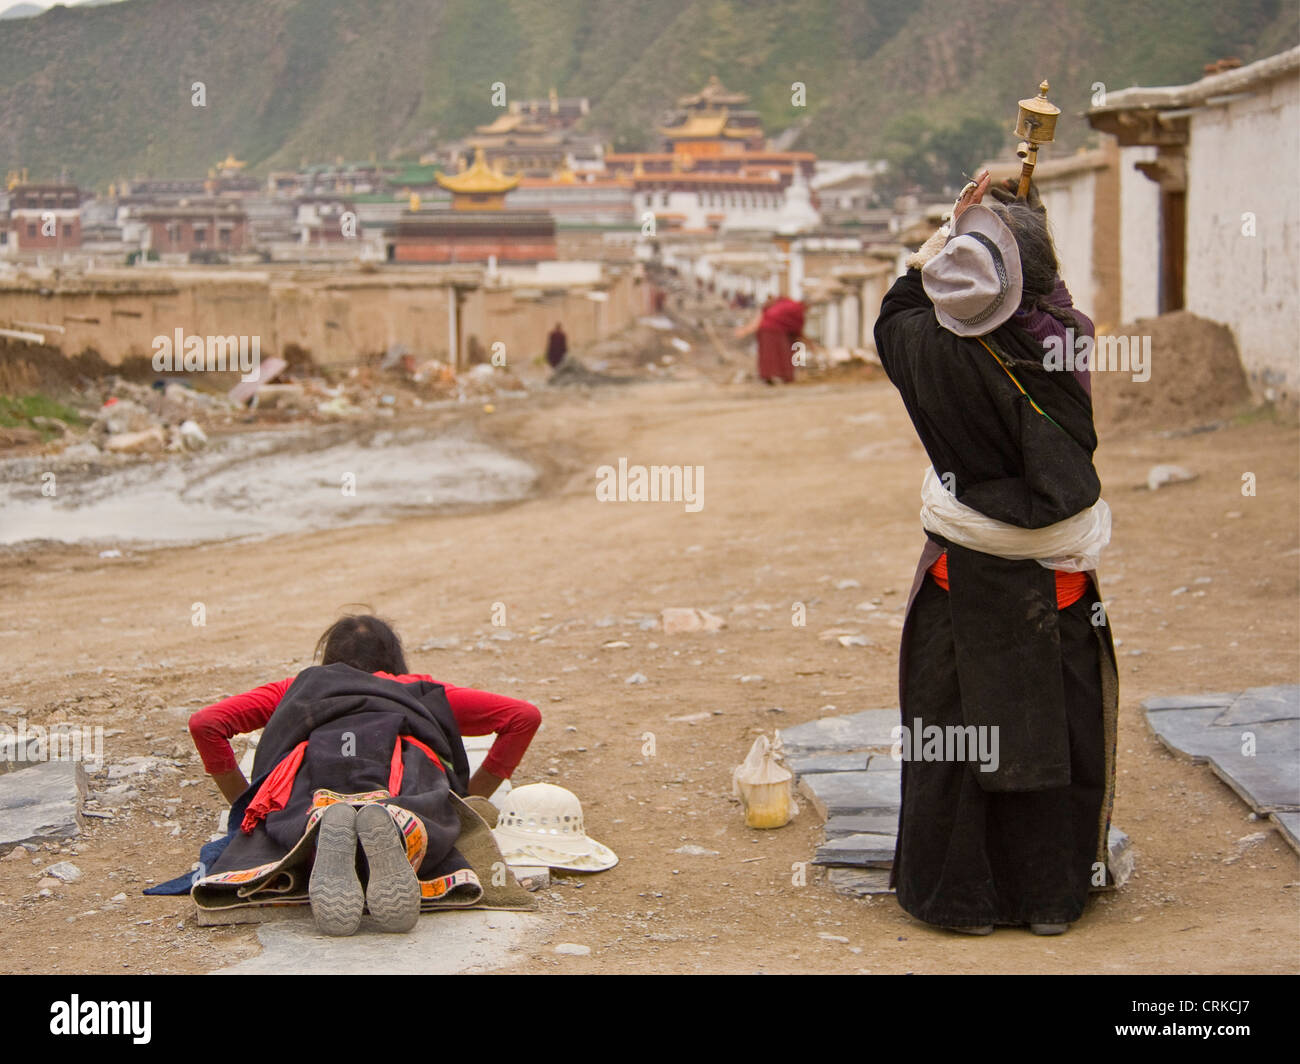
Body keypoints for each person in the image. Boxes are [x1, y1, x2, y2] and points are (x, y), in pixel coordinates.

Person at [872, 171, 1118, 937]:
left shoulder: (921, 349)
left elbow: (900, 299)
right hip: (1056, 586)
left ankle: (960, 903)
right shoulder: (1066, 337)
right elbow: (1048, 290)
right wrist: (1018, 220)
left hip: (964, 580)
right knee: (1055, 731)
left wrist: (951, 229)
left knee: (958, 734)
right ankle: (1049, 899)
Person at [189, 613, 542, 803]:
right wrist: (472, 801)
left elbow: (207, 723)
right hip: (408, 793)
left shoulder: (300, 688)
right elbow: (523, 717)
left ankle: (327, 825)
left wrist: (243, 803)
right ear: (393, 656)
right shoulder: (421, 690)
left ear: (329, 658)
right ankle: (389, 821)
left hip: (308, 797)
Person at [734, 295, 806, 384]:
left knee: (769, 355)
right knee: (782, 354)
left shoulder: (784, 305)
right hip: (776, 330)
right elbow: (797, 327)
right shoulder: (795, 307)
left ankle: (769, 376)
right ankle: (785, 376)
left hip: (768, 329)